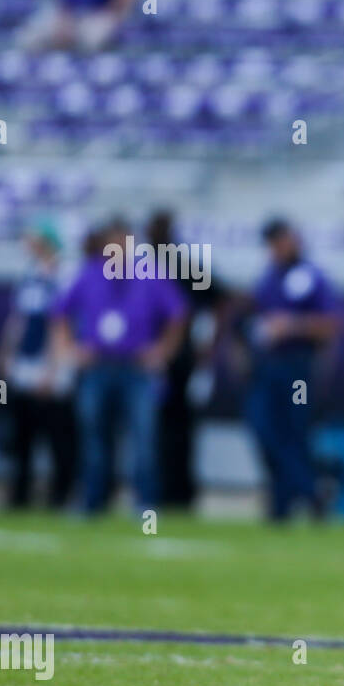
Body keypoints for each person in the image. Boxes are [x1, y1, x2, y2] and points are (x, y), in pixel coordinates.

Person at [50, 219, 187, 513]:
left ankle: (145, 502)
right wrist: (70, 349)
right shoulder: (90, 272)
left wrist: (162, 350)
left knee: (143, 438)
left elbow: (178, 314)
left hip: (136, 369)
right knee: (93, 437)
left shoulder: (149, 272)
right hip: (98, 367)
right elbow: (60, 312)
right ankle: (92, 501)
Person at [244, 219, 340, 521]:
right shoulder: (269, 276)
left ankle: (296, 499)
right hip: (266, 367)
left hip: (297, 368)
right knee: (263, 430)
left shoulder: (311, 276)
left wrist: (291, 326)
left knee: (294, 433)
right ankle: (301, 492)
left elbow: (331, 325)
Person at [0, 219, 77, 509]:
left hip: (51, 364)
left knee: (57, 433)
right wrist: (5, 354)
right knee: (21, 432)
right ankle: (19, 495)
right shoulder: (29, 273)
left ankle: (60, 496)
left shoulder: (64, 275)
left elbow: (62, 324)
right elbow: (19, 319)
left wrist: (52, 369)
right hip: (24, 363)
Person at [147, 210, 221, 509]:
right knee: (152, 427)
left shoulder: (182, 264)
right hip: (146, 357)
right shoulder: (141, 264)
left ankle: (180, 492)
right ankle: (158, 489)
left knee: (178, 426)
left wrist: (207, 342)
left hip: (179, 360)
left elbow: (217, 299)